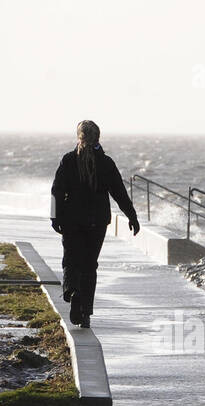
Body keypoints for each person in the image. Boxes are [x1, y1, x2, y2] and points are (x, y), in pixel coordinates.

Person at [50, 120, 139, 329]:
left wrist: (55, 217)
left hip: (72, 221)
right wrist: (132, 217)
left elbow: (56, 190)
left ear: (78, 137)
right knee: (90, 265)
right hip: (97, 222)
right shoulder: (106, 163)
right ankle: (86, 313)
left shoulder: (69, 160)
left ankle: (72, 291)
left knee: (71, 260)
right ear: (98, 138)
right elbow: (119, 192)